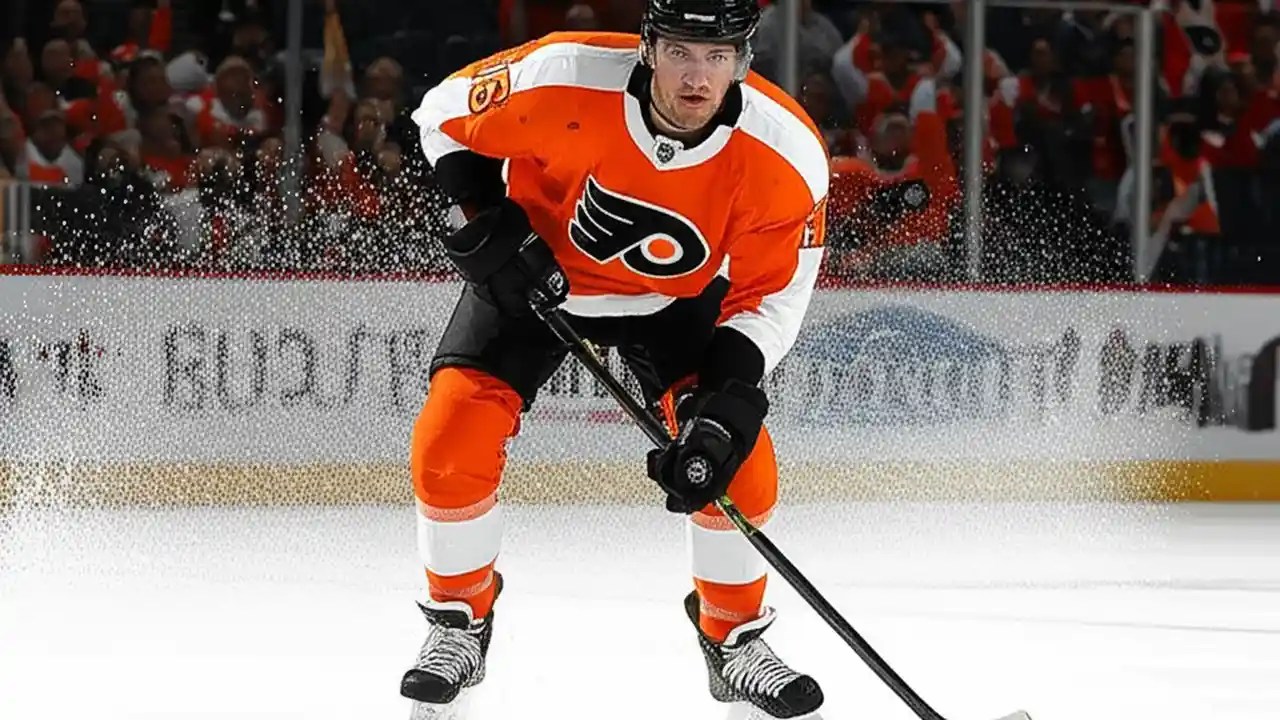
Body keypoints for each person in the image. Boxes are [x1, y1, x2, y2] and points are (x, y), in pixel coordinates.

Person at [405, 1, 830, 717]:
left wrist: (725, 403)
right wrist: (484, 218)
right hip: (536, 284)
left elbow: (770, 297)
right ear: (648, 48)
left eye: (718, 55)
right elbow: (439, 116)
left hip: (674, 304)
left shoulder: (786, 154)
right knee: (450, 444)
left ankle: (733, 640)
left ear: (743, 60)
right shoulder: (560, 76)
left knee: (740, 464)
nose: (699, 76)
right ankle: (459, 622)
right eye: (682, 53)